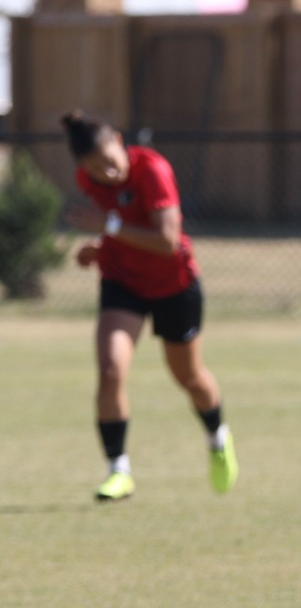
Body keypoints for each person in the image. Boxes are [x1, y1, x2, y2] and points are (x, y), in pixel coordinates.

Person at [59, 110, 237, 502]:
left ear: (120, 142)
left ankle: (217, 437)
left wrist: (107, 229)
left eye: (109, 160)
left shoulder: (152, 170)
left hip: (174, 285)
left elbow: (167, 240)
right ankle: (118, 470)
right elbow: (119, 222)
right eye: (94, 167)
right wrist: (100, 248)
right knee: (110, 370)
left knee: (188, 377)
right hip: (123, 282)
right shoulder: (88, 180)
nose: (105, 172)